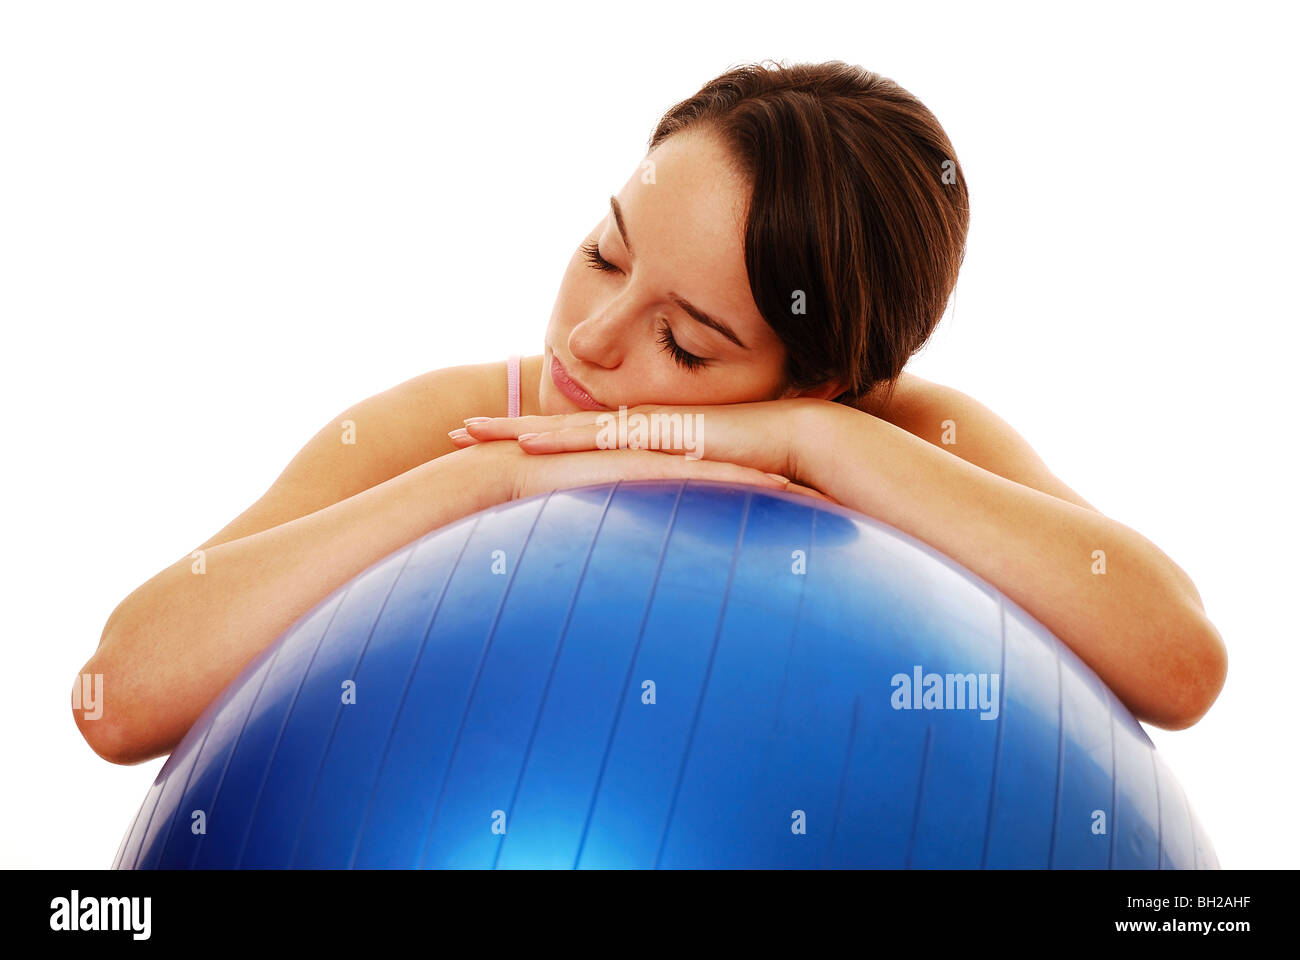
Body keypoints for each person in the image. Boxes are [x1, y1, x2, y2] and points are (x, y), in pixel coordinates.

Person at [74, 60, 1225, 766]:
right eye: (601, 252)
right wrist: (500, 479)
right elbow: (117, 700)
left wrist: (809, 443)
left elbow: (1179, 662)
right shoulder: (464, 419)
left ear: (821, 377)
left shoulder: (904, 434)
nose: (589, 338)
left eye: (683, 340)